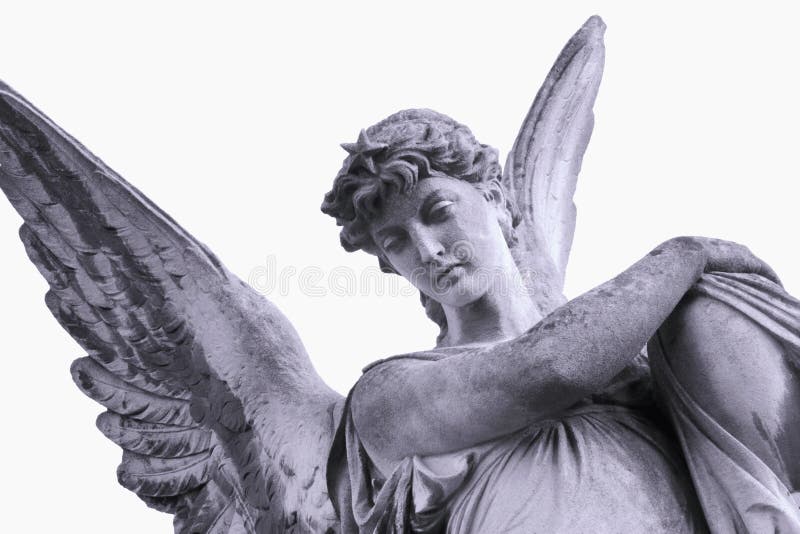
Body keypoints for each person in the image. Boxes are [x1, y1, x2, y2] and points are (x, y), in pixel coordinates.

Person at [322, 109, 800, 532]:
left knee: (707, 307)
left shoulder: (638, 374)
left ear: (496, 200)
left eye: (439, 212)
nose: (428, 250)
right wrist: (684, 254)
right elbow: (551, 369)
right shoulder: (385, 397)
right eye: (397, 243)